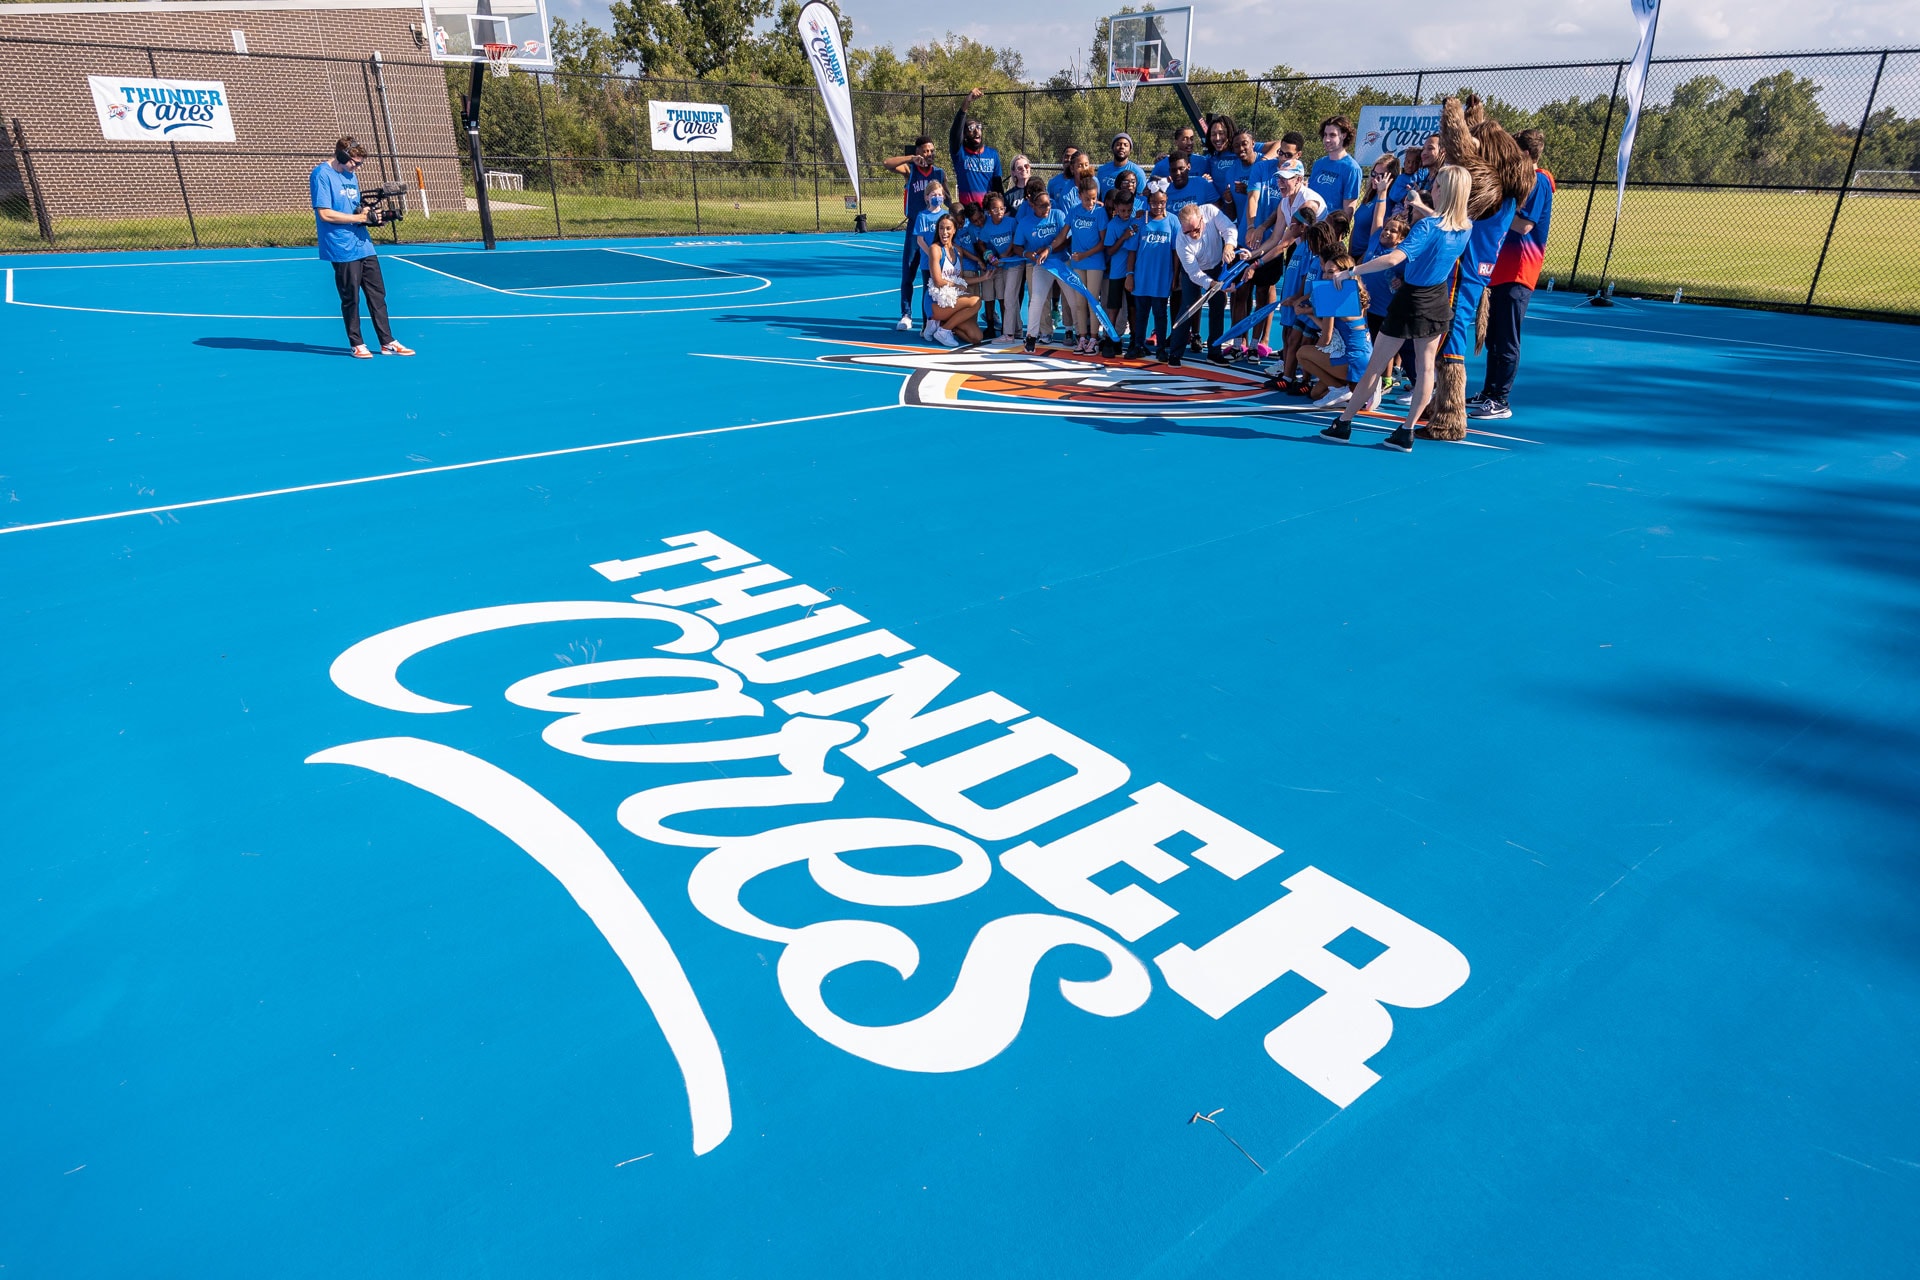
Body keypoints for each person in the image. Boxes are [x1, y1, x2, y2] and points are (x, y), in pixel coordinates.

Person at [1319, 164, 1474, 452]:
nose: (1433, 189)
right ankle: (1407, 431)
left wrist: (1350, 272)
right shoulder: (1465, 227)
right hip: (1437, 299)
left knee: (1375, 367)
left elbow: (1392, 259)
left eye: (1437, 185)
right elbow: (1444, 221)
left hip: (1410, 299)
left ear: (1445, 190)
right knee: (1426, 369)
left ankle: (1344, 423)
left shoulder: (1427, 227)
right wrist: (1418, 205)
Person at [1471, 128, 1554, 421]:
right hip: (1500, 269)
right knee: (1493, 335)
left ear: (1527, 154)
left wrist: (1496, 211)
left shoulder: (1538, 181)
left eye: (1514, 153)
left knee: (1507, 338)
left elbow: (1523, 226)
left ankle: (1500, 399)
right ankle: (1489, 390)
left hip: (1519, 269)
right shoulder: (1520, 182)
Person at [311, 137, 412, 358]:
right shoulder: (322, 175)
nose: (356, 168)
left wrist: (370, 217)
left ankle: (387, 341)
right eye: (354, 163)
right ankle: (357, 343)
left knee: (377, 294)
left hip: (363, 244)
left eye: (360, 164)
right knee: (351, 297)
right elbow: (325, 213)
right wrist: (356, 217)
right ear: (341, 156)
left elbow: (356, 207)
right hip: (341, 245)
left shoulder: (351, 176)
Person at [1169, 200, 1245, 368]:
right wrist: (1213, 284)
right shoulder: (1181, 241)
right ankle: (1175, 352)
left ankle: (1214, 352)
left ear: (1202, 218)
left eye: (1196, 229)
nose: (1193, 234)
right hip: (1194, 273)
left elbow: (1229, 229)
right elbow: (1195, 273)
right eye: (1188, 232)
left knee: (1218, 306)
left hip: (1217, 265)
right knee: (1189, 307)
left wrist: (1229, 246)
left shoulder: (1211, 211)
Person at [1296, 249, 1374, 408]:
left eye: (1331, 272)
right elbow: (1334, 329)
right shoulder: (1355, 292)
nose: (1325, 276)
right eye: (1324, 272)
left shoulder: (1332, 296)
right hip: (1367, 358)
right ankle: (1352, 392)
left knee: (1302, 353)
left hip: (1352, 360)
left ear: (1344, 273)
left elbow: (1326, 339)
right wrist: (1309, 315)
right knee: (1315, 394)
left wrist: (1316, 360)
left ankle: (1340, 388)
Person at [883, 137, 946, 331]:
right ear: (919, 151)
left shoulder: (939, 173)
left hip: (934, 228)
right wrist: (911, 158)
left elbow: (948, 198)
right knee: (909, 270)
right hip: (915, 227)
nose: (929, 154)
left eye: (932, 150)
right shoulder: (911, 170)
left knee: (934, 272)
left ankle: (933, 315)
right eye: (926, 150)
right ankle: (906, 314)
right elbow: (887, 163)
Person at [1123, 185, 1178, 360]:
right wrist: (1130, 275)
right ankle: (1138, 345)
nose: (1157, 206)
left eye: (1161, 202)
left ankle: (1161, 348)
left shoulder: (1173, 221)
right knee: (1141, 314)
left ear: (1166, 201)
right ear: (1148, 202)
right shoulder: (1140, 222)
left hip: (1162, 278)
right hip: (1141, 277)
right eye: (1153, 202)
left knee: (1160, 314)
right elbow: (1132, 251)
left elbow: (1176, 252)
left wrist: (1175, 277)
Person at [1013, 181, 1068, 353]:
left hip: (1061, 263)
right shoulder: (1025, 222)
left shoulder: (1058, 215)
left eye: (1049, 204)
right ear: (1032, 206)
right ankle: (1031, 336)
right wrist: (1026, 254)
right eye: (1042, 206)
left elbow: (1067, 239)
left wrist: (1048, 250)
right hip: (1041, 265)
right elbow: (1017, 246)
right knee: (1036, 299)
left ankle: (1078, 333)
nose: (1047, 209)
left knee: (1073, 299)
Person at [1064, 175, 1110, 354]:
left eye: (1094, 198)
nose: (1090, 202)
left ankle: (1094, 339)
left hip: (1094, 263)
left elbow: (1102, 242)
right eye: (1086, 198)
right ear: (1079, 195)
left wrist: (1084, 255)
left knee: (1092, 302)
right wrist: (1049, 248)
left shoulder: (1100, 212)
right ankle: (1081, 337)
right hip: (1078, 263)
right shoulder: (1074, 211)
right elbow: (1064, 233)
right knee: (1079, 302)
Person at [924, 214, 984, 347]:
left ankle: (944, 325)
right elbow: (938, 281)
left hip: (953, 303)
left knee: (976, 337)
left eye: (948, 228)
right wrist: (955, 284)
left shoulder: (958, 251)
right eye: (941, 228)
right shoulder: (935, 249)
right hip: (937, 302)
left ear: (954, 230)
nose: (944, 232)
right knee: (976, 301)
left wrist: (983, 278)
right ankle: (943, 331)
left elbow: (961, 279)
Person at [909, 179, 953, 341]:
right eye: (934, 195)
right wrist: (931, 254)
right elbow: (920, 239)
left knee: (944, 293)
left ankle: (942, 325)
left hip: (944, 264)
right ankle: (926, 323)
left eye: (940, 195)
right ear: (927, 197)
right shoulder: (922, 216)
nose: (937, 197)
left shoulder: (945, 215)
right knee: (929, 293)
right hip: (928, 263)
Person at [947, 88, 1005, 210]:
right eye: (971, 128)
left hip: (988, 212)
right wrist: (966, 104)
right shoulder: (960, 154)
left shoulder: (992, 154)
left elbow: (998, 186)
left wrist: (1002, 208)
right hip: (968, 213)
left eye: (978, 127)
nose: (976, 131)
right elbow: (955, 134)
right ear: (964, 135)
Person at [975, 190, 1022, 342]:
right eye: (995, 209)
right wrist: (989, 255)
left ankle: (1008, 333)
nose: (999, 212)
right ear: (989, 212)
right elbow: (981, 243)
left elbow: (1017, 237)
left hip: (1015, 263)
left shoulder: (1011, 222)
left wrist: (1006, 253)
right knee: (1010, 298)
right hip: (1002, 266)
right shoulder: (987, 227)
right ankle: (1017, 329)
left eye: (1002, 208)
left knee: (1008, 298)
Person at [1099, 185, 1138, 353]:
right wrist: (1123, 237)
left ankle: (1135, 340)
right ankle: (1110, 338)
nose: (1126, 214)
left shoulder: (1136, 222)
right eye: (1122, 210)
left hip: (1133, 273)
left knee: (1132, 307)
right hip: (1116, 272)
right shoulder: (1113, 225)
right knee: (1113, 307)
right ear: (1115, 208)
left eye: (1129, 210)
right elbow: (1110, 250)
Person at [1309, 114, 1365, 216]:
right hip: (1309, 224)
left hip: (1329, 228)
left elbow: (1348, 210)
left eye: (1332, 135)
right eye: (1325, 135)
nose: (1327, 140)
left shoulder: (1352, 169)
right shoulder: (1319, 163)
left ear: (1343, 135)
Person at [1097, 132, 1148, 197]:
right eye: (1118, 144)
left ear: (1130, 150)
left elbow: (1141, 197)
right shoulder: (1102, 170)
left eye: (1125, 145)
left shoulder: (1138, 172)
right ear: (1112, 147)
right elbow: (1098, 196)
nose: (1122, 147)